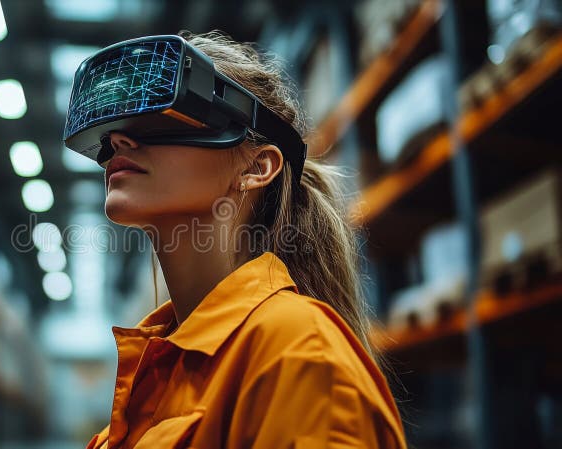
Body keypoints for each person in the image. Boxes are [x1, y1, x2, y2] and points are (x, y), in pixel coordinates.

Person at [83, 30, 407, 449]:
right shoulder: (158, 370)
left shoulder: (299, 355)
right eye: (117, 126)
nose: (118, 140)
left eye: (162, 117)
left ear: (257, 167)